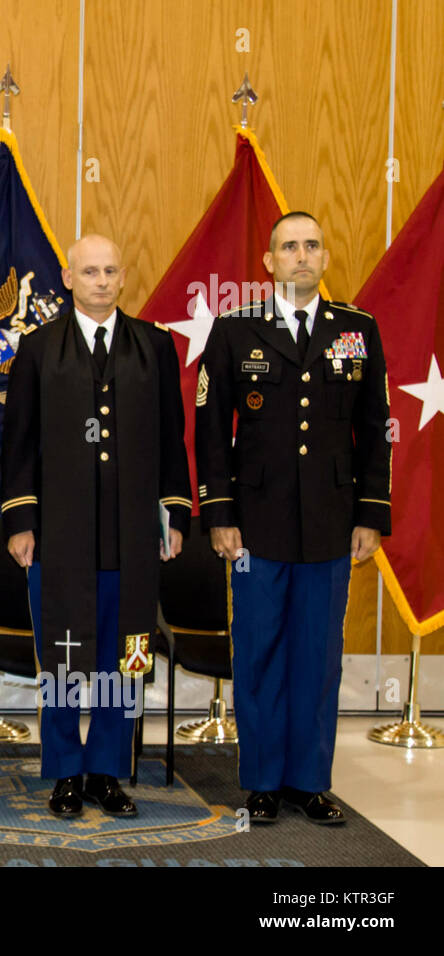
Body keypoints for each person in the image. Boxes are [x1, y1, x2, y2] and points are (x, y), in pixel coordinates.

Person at [196, 211, 391, 825]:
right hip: (255, 524)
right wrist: (220, 512)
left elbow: (375, 433)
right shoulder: (234, 331)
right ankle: (260, 781)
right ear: (269, 263)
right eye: (288, 246)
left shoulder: (357, 331)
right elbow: (209, 430)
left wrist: (372, 514)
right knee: (258, 652)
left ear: (325, 258)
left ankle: (309, 781)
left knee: (317, 654)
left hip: (332, 523)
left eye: (311, 245)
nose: (301, 255)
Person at [1, 234, 190, 818]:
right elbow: (19, 445)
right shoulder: (37, 349)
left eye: (110, 271)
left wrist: (175, 513)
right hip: (60, 537)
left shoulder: (154, 346)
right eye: (89, 271)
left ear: (124, 277)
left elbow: (170, 438)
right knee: (62, 658)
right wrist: (20, 521)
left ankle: (107, 770)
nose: (101, 281)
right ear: (67, 277)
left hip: (133, 536)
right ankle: (64, 771)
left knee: (126, 655)